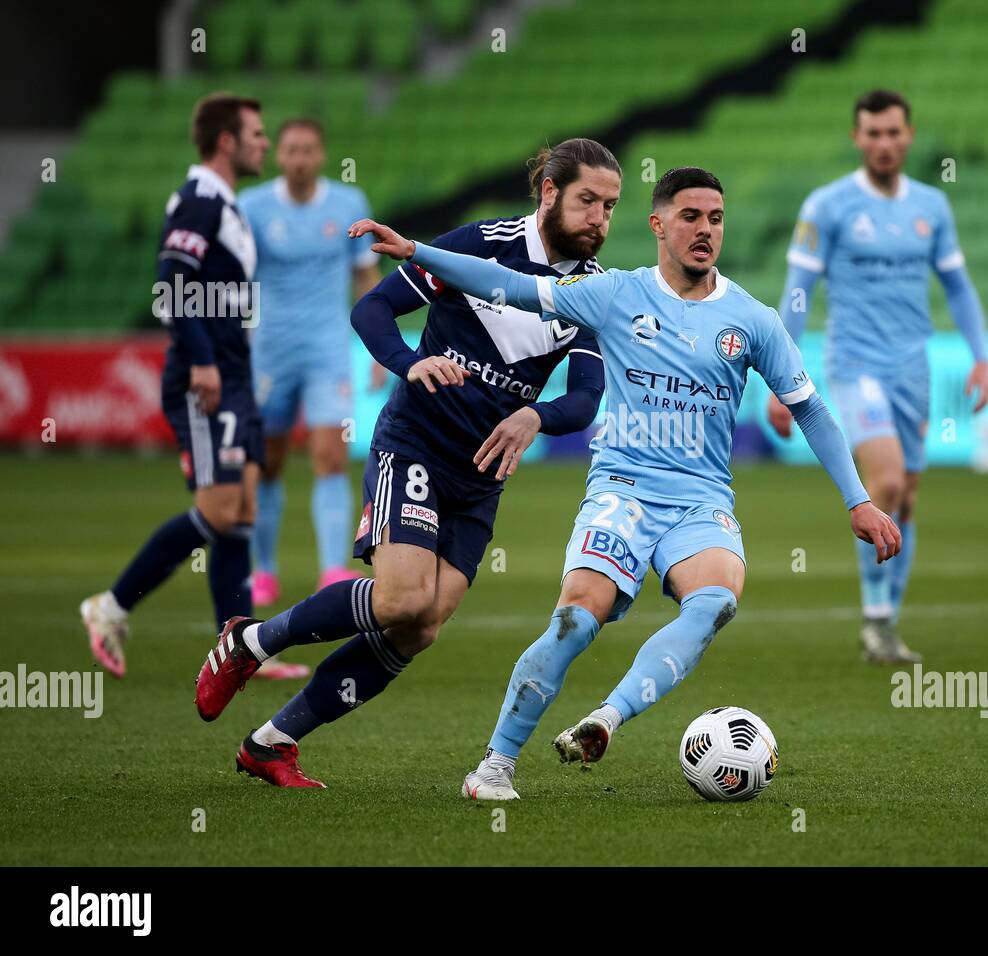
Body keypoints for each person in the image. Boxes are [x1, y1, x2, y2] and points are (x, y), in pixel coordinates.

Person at [347, 165, 900, 801]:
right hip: (622, 491)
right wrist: (419, 252)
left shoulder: (752, 319)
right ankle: (494, 767)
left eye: (716, 219)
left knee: (716, 601)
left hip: (700, 500)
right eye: (690, 217)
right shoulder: (615, 295)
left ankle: (606, 718)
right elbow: (505, 285)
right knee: (577, 622)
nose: (705, 231)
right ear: (658, 224)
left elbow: (811, 409)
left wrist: (858, 499)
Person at [192, 139, 620, 788]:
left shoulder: (591, 290)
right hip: (415, 442)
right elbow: (373, 307)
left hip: (481, 477)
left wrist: (538, 415)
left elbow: (586, 396)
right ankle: (252, 641)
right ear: (549, 193)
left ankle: (272, 742)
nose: (599, 219)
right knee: (401, 601)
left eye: (611, 207)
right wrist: (409, 362)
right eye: (588, 200)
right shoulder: (482, 243)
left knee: (421, 628)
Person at [768, 89, 988, 664]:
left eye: (893, 133)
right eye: (873, 133)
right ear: (857, 138)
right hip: (855, 363)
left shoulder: (931, 208)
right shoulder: (828, 206)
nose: (884, 143)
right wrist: (780, 374)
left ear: (909, 136)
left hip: (912, 365)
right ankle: (873, 621)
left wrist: (981, 357)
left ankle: (886, 622)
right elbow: (799, 290)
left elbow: (958, 288)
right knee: (886, 482)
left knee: (908, 499)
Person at [80, 93, 268, 678]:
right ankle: (109, 606)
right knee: (216, 511)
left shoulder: (227, 204)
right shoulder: (199, 199)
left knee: (240, 513)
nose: (263, 142)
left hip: (234, 375)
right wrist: (202, 360)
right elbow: (172, 283)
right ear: (225, 141)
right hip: (205, 377)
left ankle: (234, 652)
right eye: (256, 133)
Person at [239, 118, 381, 621]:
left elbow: (366, 275)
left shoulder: (348, 204)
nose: (300, 158)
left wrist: (377, 348)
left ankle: (331, 570)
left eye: (308, 150)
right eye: (291, 149)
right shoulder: (252, 207)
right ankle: (264, 568)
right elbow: (232, 276)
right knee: (267, 463)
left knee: (330, 456)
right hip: (269, 351)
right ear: (279, 154)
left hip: (327, 349)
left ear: (321, 155)